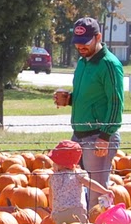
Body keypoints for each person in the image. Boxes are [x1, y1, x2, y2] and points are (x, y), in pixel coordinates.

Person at [51, 16, 123, 191]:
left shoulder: (109, 65)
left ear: (98, 38)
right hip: (79, 134)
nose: (81, 48)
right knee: (76, 186)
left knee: (96, 189)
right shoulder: (83, 62)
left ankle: (98, 219)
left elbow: (116, 103)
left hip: (97, 136)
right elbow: (91, 96)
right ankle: (82, 219)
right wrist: (69, 99)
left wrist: (105, 136)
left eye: (85, 43)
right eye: (77, 43)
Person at [46, 139, 116, 224]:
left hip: (59, 214)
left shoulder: (53, 177)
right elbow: (90, 183)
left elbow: (51, 196)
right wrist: (104, 190)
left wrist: (52, 208)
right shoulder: (77, 174)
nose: (53, 164)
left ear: (60, 163)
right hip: (77, 212)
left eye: (54, 162)